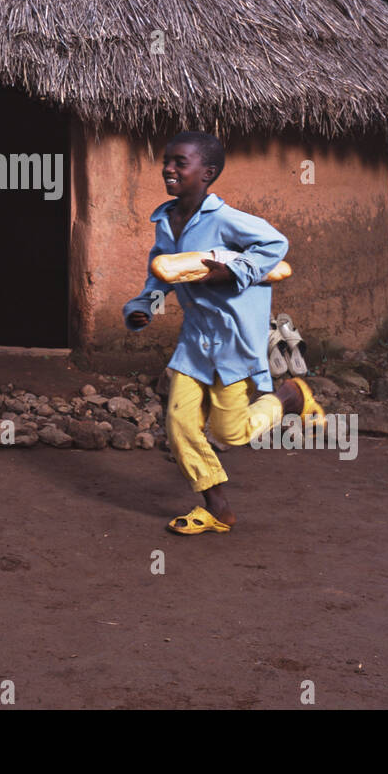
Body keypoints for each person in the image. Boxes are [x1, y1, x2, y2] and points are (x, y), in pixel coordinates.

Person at [123, 131, 326, 535]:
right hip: (194, 343)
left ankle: (289, 396)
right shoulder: (166, 219)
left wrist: (232, 272)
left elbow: (275, 243)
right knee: (179, 425)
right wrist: (144, 305)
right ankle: (217, 508)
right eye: (167, 161)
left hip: (232, 344)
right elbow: (163, 270)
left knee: (228, 433)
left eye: (180, 162)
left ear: (207, 173)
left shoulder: (226, 218)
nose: (168, 168)